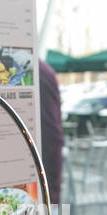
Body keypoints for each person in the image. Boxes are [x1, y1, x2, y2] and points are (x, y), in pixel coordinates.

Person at [38, 59, 63, 204]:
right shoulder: (44, 70)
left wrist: (53, 197)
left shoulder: (40, 72)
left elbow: (52, 135)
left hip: (43, 182)